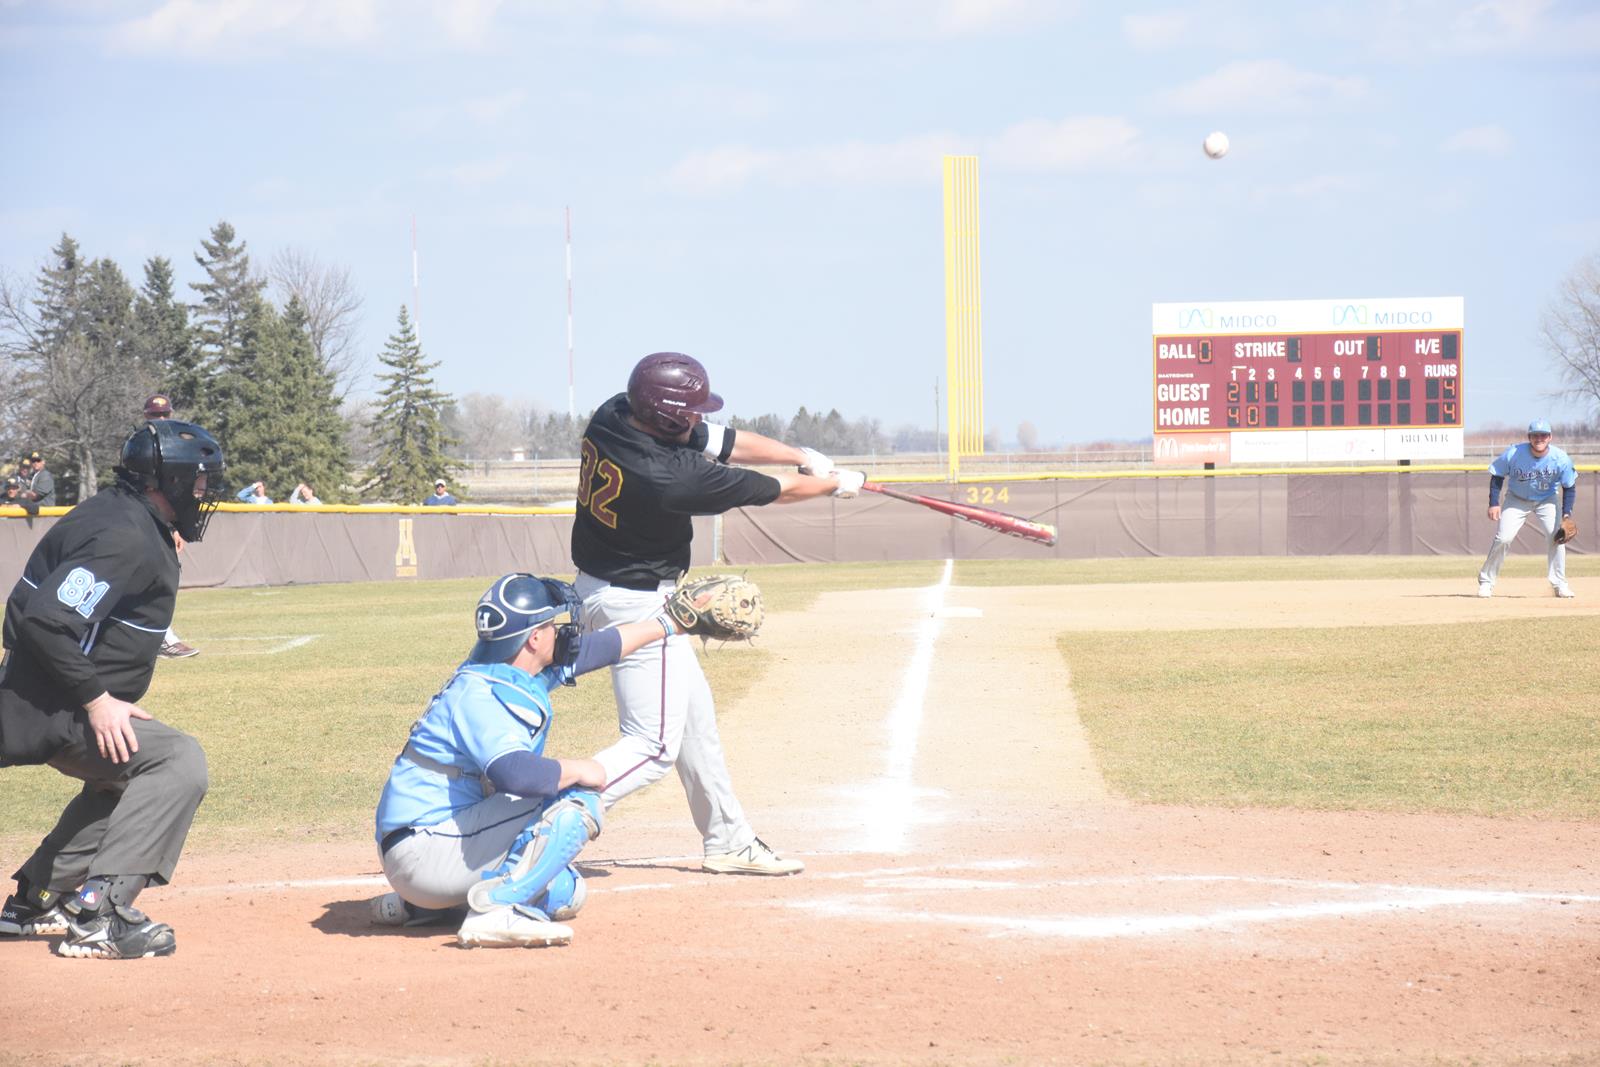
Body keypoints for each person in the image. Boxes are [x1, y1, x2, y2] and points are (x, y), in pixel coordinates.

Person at [571, 351, 864, 876]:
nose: (697, 419)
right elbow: (778, 490)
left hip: (606, 590)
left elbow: (725, 440)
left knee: (696, 726)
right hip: (638, 607)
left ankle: (729, 840)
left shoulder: (615, 413)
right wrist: (836, 483)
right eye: (689, 412)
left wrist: (802, 454)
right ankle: (548, 815)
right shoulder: (671, 478)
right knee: (652, 746)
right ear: (666, 418)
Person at [369, 573, 693, 947]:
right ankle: (495, 911)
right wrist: (578, 767)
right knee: (577, 797)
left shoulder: (502, 668)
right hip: (422, 851)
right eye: (551, 624)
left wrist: (669, 624)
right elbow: (515, 774)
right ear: (534, 638)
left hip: (428, 845)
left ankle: (423, 907)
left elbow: (597, 649)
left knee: (565, 893)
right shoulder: (483, 694)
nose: (560, 631)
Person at [0, 419, 225, 957]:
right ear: (168, 480)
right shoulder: (124, 534)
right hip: (53, 704)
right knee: (176, 762)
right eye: (198, 481)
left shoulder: (120, 514)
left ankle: (36, 900)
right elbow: (46, 621)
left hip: (43, 695)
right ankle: (100, 916)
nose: (204, 493)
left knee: (121, 774)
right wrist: (97, 700)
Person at [1478, 418, 1578, 599]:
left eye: (1543, 435)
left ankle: (1560, 584)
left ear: (1550, 437)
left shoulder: (1560, 458)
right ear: (1529, 437)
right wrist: (1494, 503)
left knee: (1556, 537)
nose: (1539, 439)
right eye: (1535, 435)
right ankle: (1486, 581)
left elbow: (1569, 487)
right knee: (1503, 538)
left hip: (1547, 500)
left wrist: (1566, 514)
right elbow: (1497, 475)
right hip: (1517, 499)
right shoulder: (1514, 453)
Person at [141, 394, 198, 659]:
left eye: (164, 414)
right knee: (154, 577)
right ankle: (163, 638)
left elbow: (173, 490)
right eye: (155, 415)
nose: (161, 419)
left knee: (162, 576)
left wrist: (174, 527)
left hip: (160, 519)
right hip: (139, 516)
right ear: (146, 416)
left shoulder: (174, 444)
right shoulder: (138, 443)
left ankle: (162, 636)